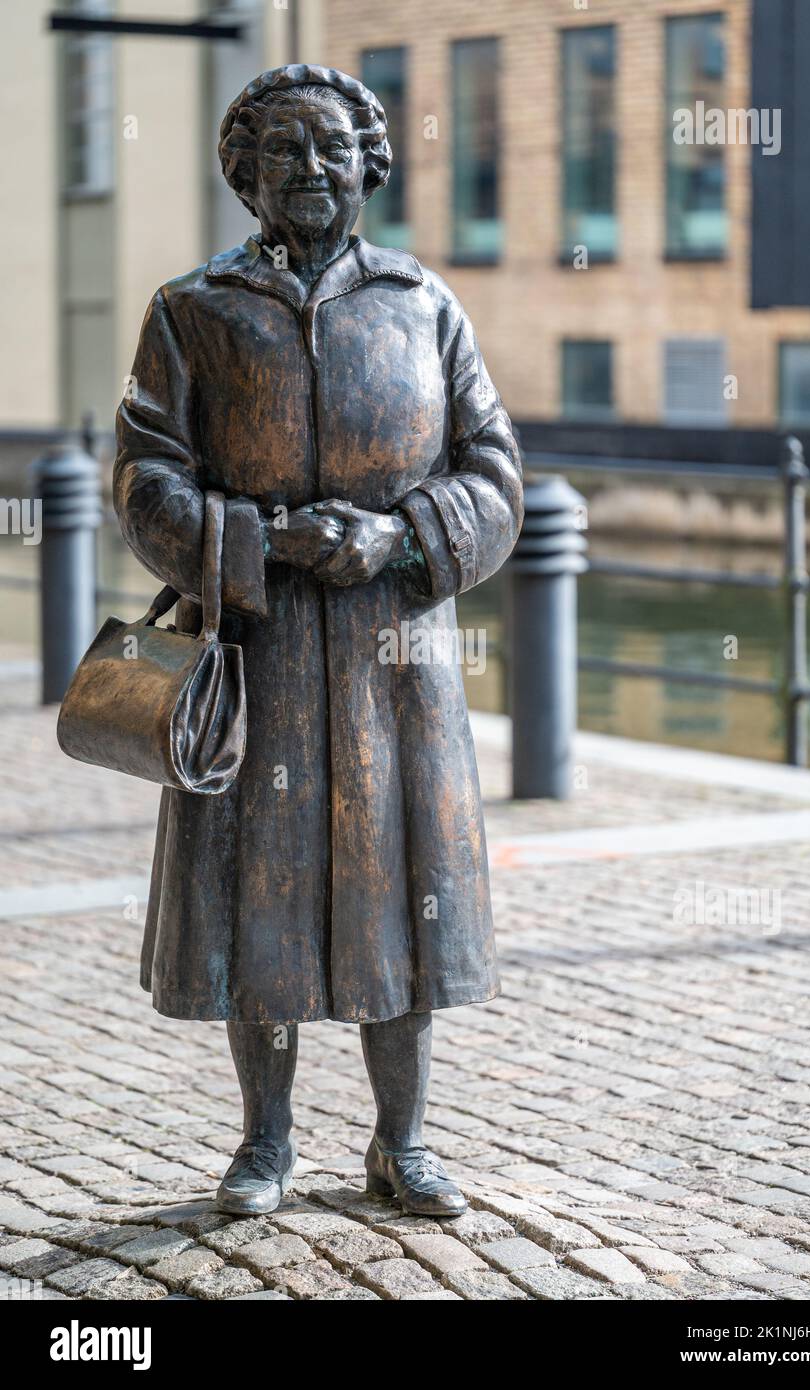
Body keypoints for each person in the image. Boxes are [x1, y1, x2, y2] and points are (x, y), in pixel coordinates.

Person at [114, 64, 523, 1218]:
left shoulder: (422, 303)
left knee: (407, 891)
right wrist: (256, 541)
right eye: (282, 150)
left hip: (397, 665)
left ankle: (401, 1140)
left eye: (331, 147)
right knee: (263, 895)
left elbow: (494, 475)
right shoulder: (190, 311)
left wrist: (396, 539)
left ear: (369, 164)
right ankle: (265, 1143)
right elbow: (142, 476)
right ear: (243, 172)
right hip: (257, 655)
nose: (309, 169)